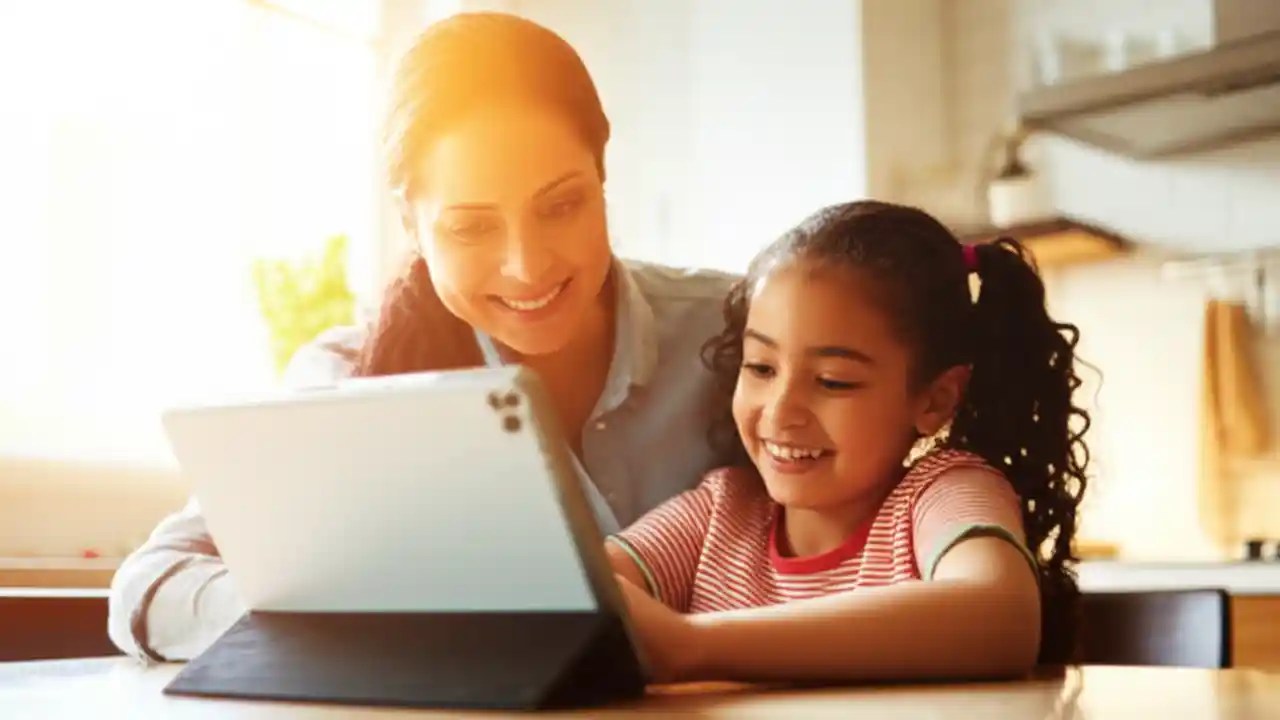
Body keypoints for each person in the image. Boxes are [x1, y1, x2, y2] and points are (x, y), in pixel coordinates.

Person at [107, 12, 739, 662]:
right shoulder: (348, 380)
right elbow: (147, 586)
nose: (528, 266)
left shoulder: (738, 332)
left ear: (602, 180)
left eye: (560, 206)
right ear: (411, 222)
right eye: (471, 228)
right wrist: (353, 620)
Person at [606, 200, 1091, 683]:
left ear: (936, 401)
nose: (780, 412)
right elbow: (579, 591)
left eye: (833, 381)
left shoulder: (940, 493)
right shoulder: (716, 515)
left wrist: (693, 644)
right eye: (761, 368)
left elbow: (1001, 617)